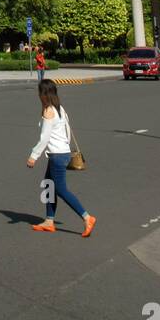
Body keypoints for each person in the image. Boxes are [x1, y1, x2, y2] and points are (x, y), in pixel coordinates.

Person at [27, 80, 96, 237]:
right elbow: (66, 130)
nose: (38, 95)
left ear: (44, 94)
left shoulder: (48, 111)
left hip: (57, 156)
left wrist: (33, 156)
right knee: (49, 185)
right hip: (62, 153)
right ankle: (49, 221)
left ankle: (87, 217)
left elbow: (44, 139)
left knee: (60, 189)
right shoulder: (60, 109)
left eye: (39, 92)